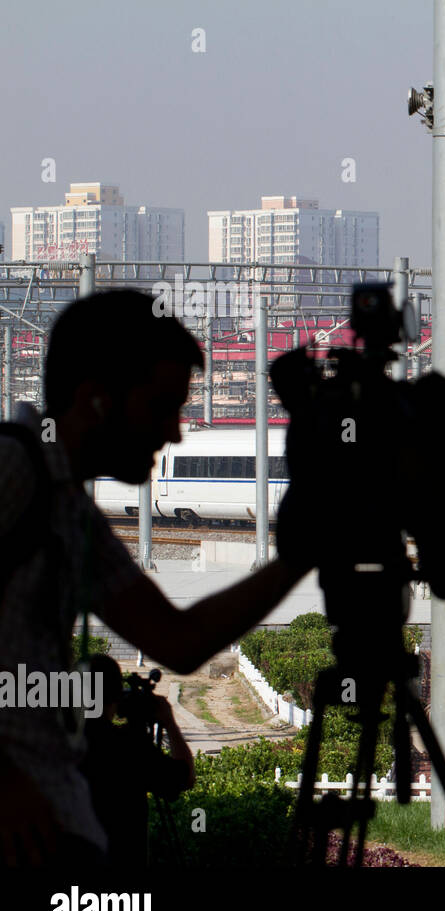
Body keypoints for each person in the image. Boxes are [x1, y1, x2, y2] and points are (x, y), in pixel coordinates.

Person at [0, 290, 311, 866]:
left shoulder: (69, 509)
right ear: (96, 399)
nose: (174, 434)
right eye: (161, 406)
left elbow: (177, 640)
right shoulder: (13, 471)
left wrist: (301, 555)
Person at [79, 655, 194, 867]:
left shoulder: (53, 747)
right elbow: (184, 778)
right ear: (115, 696)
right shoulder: (128, 747)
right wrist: (169, 724)